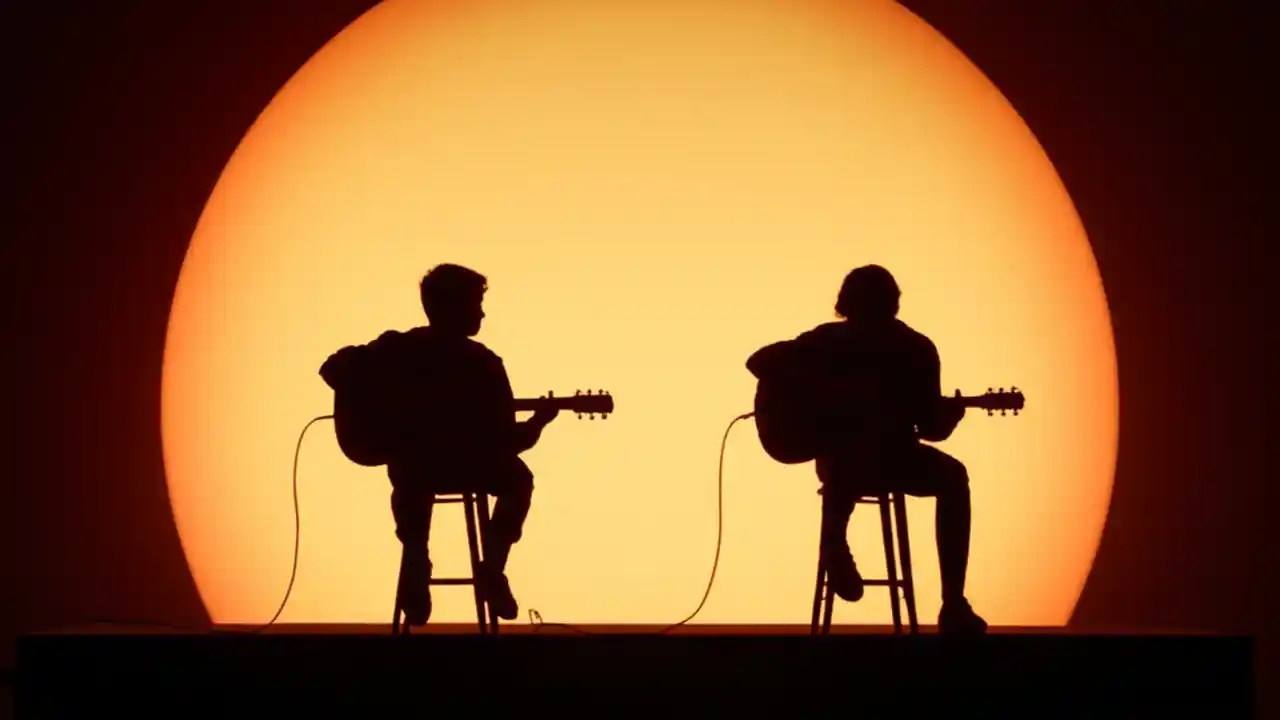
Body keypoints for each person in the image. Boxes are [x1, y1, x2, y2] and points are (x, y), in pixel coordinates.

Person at [749, 264, 987, 635]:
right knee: (857, 446)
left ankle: (948, 600)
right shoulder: (831, 342)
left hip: (884, 459)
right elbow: (759, 362)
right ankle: (842, 549)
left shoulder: (913, 350)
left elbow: (929, 427)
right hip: (852, 460)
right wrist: (825, 390)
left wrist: (951, 416)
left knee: (951, 476)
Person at [328, 263, 559, 626]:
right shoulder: (475, 362)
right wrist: (537, 424)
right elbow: (506, 440)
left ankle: (430, 563)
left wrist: (535, 422)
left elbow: (334, 367)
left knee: (420, 469)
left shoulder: (406, 349)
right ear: (451, 307)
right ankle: (482, 569)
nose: (481, 312)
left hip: (431, 468)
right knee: (513, 478)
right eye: (475, 303)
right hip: (441, 465)